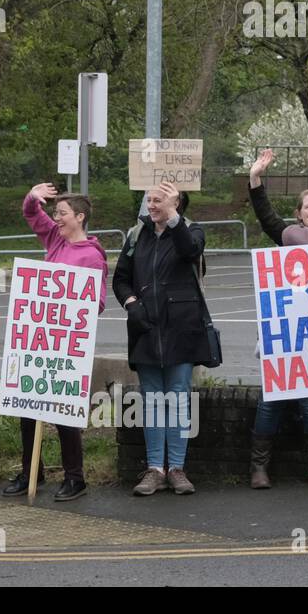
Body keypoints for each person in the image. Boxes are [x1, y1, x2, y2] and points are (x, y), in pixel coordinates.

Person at [3, 184, 108, 502]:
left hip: (65, 345)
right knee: (27, 408)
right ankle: (31, 470)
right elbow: (30, 213)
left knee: (63, 413)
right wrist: (32, 195)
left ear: (79, 217)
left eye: (61, 213)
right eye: (55, 212)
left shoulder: (91, 257)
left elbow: (97, 303)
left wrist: (66, 302)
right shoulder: (54, 239)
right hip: (38, 340)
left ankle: (75, 478)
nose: (55, 218)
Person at [246, 149, 308, 488]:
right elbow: (266, 215)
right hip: (286, 333)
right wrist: (256, 178)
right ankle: (259, 468)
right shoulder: (288, 238)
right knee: (271, 399)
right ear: (299, 215)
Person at [113, 182, 208, 496]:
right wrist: (132, 305)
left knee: (179, 397)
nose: (151, 205)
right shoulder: (135, 235)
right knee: (153, 401)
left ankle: (177, 468)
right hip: (145, 328)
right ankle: (155, 469)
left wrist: (173, 217)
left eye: (159, 200)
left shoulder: (192, 231)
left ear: (176, 202)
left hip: (181, 329)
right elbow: (121, 279)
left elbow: (189, 251)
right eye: (149, 200)